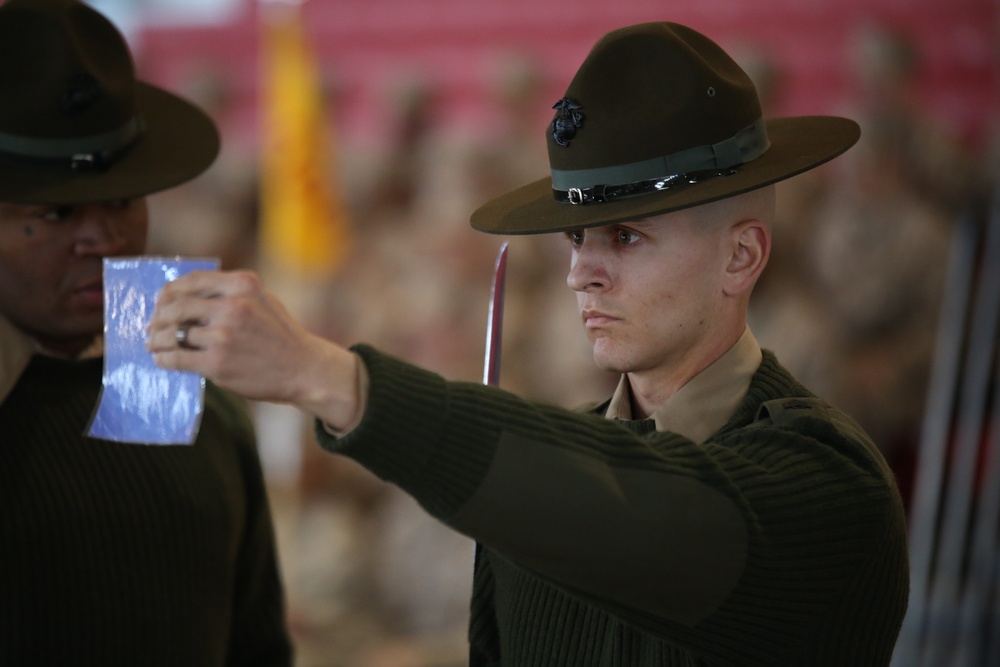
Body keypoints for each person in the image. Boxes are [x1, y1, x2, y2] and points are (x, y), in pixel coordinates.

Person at [148, 22, 909, 666]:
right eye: (576, 237)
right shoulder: (538, 483)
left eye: (626, 236)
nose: (582, 273)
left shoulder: (827, 478)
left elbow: (645, 512)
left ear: (740, 257)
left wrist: (333, 379)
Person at [0, 1, 292, 664]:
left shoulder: (179, 394)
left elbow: (252, 639)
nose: (104, 238)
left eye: (123, 199)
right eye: (56, 212)